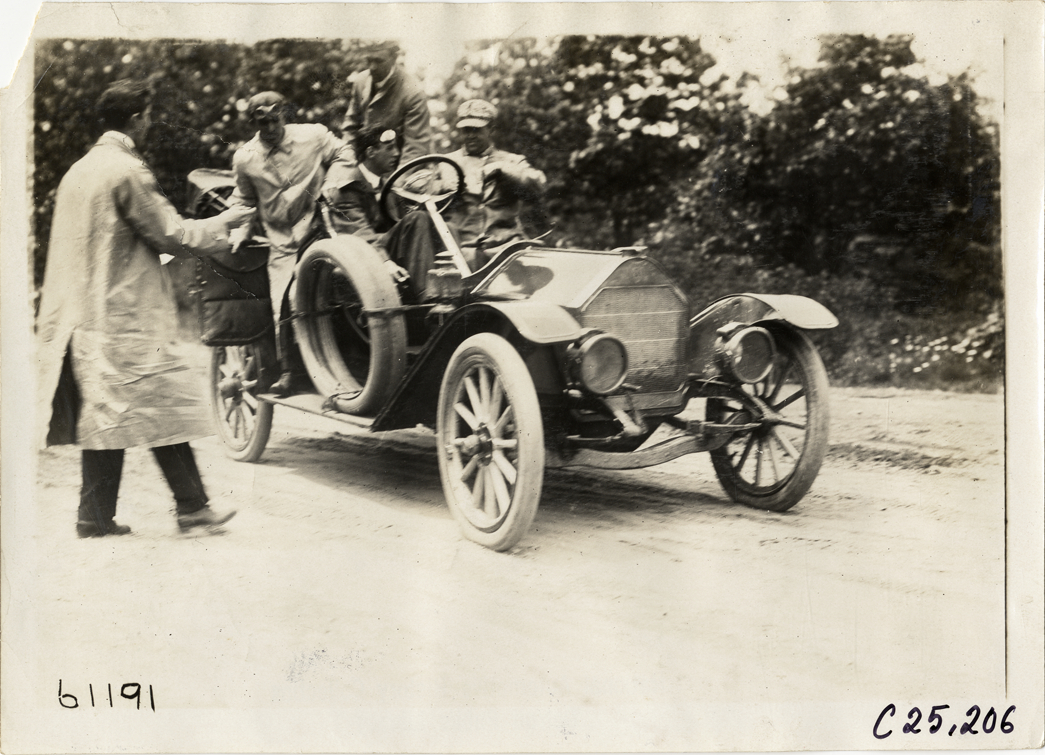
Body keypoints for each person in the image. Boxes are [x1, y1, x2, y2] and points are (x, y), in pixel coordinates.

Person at [35, 79, 255, 538]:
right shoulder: (128, 171)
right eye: (148, 116)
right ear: (137, 118)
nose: (151, 123)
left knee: (108, 413)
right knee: (162, 404)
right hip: (126, 317)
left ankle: (94, 517)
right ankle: (192, 508)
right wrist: (225, 222)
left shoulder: (78, 171)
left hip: (85, 314)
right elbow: (171, 235)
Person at [229, 91, 356, 397]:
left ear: (285, 114)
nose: (271, 128)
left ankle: (346, 364)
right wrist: (239, 231)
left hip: (318, 225)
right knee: (284, 301)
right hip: (281, 239)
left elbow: (345, 154)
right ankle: (291, 371)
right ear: (253, 122)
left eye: (275, 120)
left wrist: (333, 183)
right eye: (263, 123)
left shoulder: (312, 136)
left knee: (338, 289)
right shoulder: (245, 158)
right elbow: (244, 199)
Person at [377, 99, 547, 300]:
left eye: (476, 130)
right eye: (466, 130)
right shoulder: (446, 164)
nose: (470, 135)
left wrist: (503, 170)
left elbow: (539, 185)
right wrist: (435, 187)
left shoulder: (511, 161)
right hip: (461, 253)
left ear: (491, 130)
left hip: (504, 251)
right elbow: (421, 197)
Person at [341, 41, 431, 167]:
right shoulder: (360, 82)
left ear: (394, 58)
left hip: (396, 170)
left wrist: (396, 184)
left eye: (378, 61)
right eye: (369, 60)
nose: (372, 67)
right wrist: (348, 163)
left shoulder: (413, 93)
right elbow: (350, 128)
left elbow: (415, 147)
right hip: (364, 167)